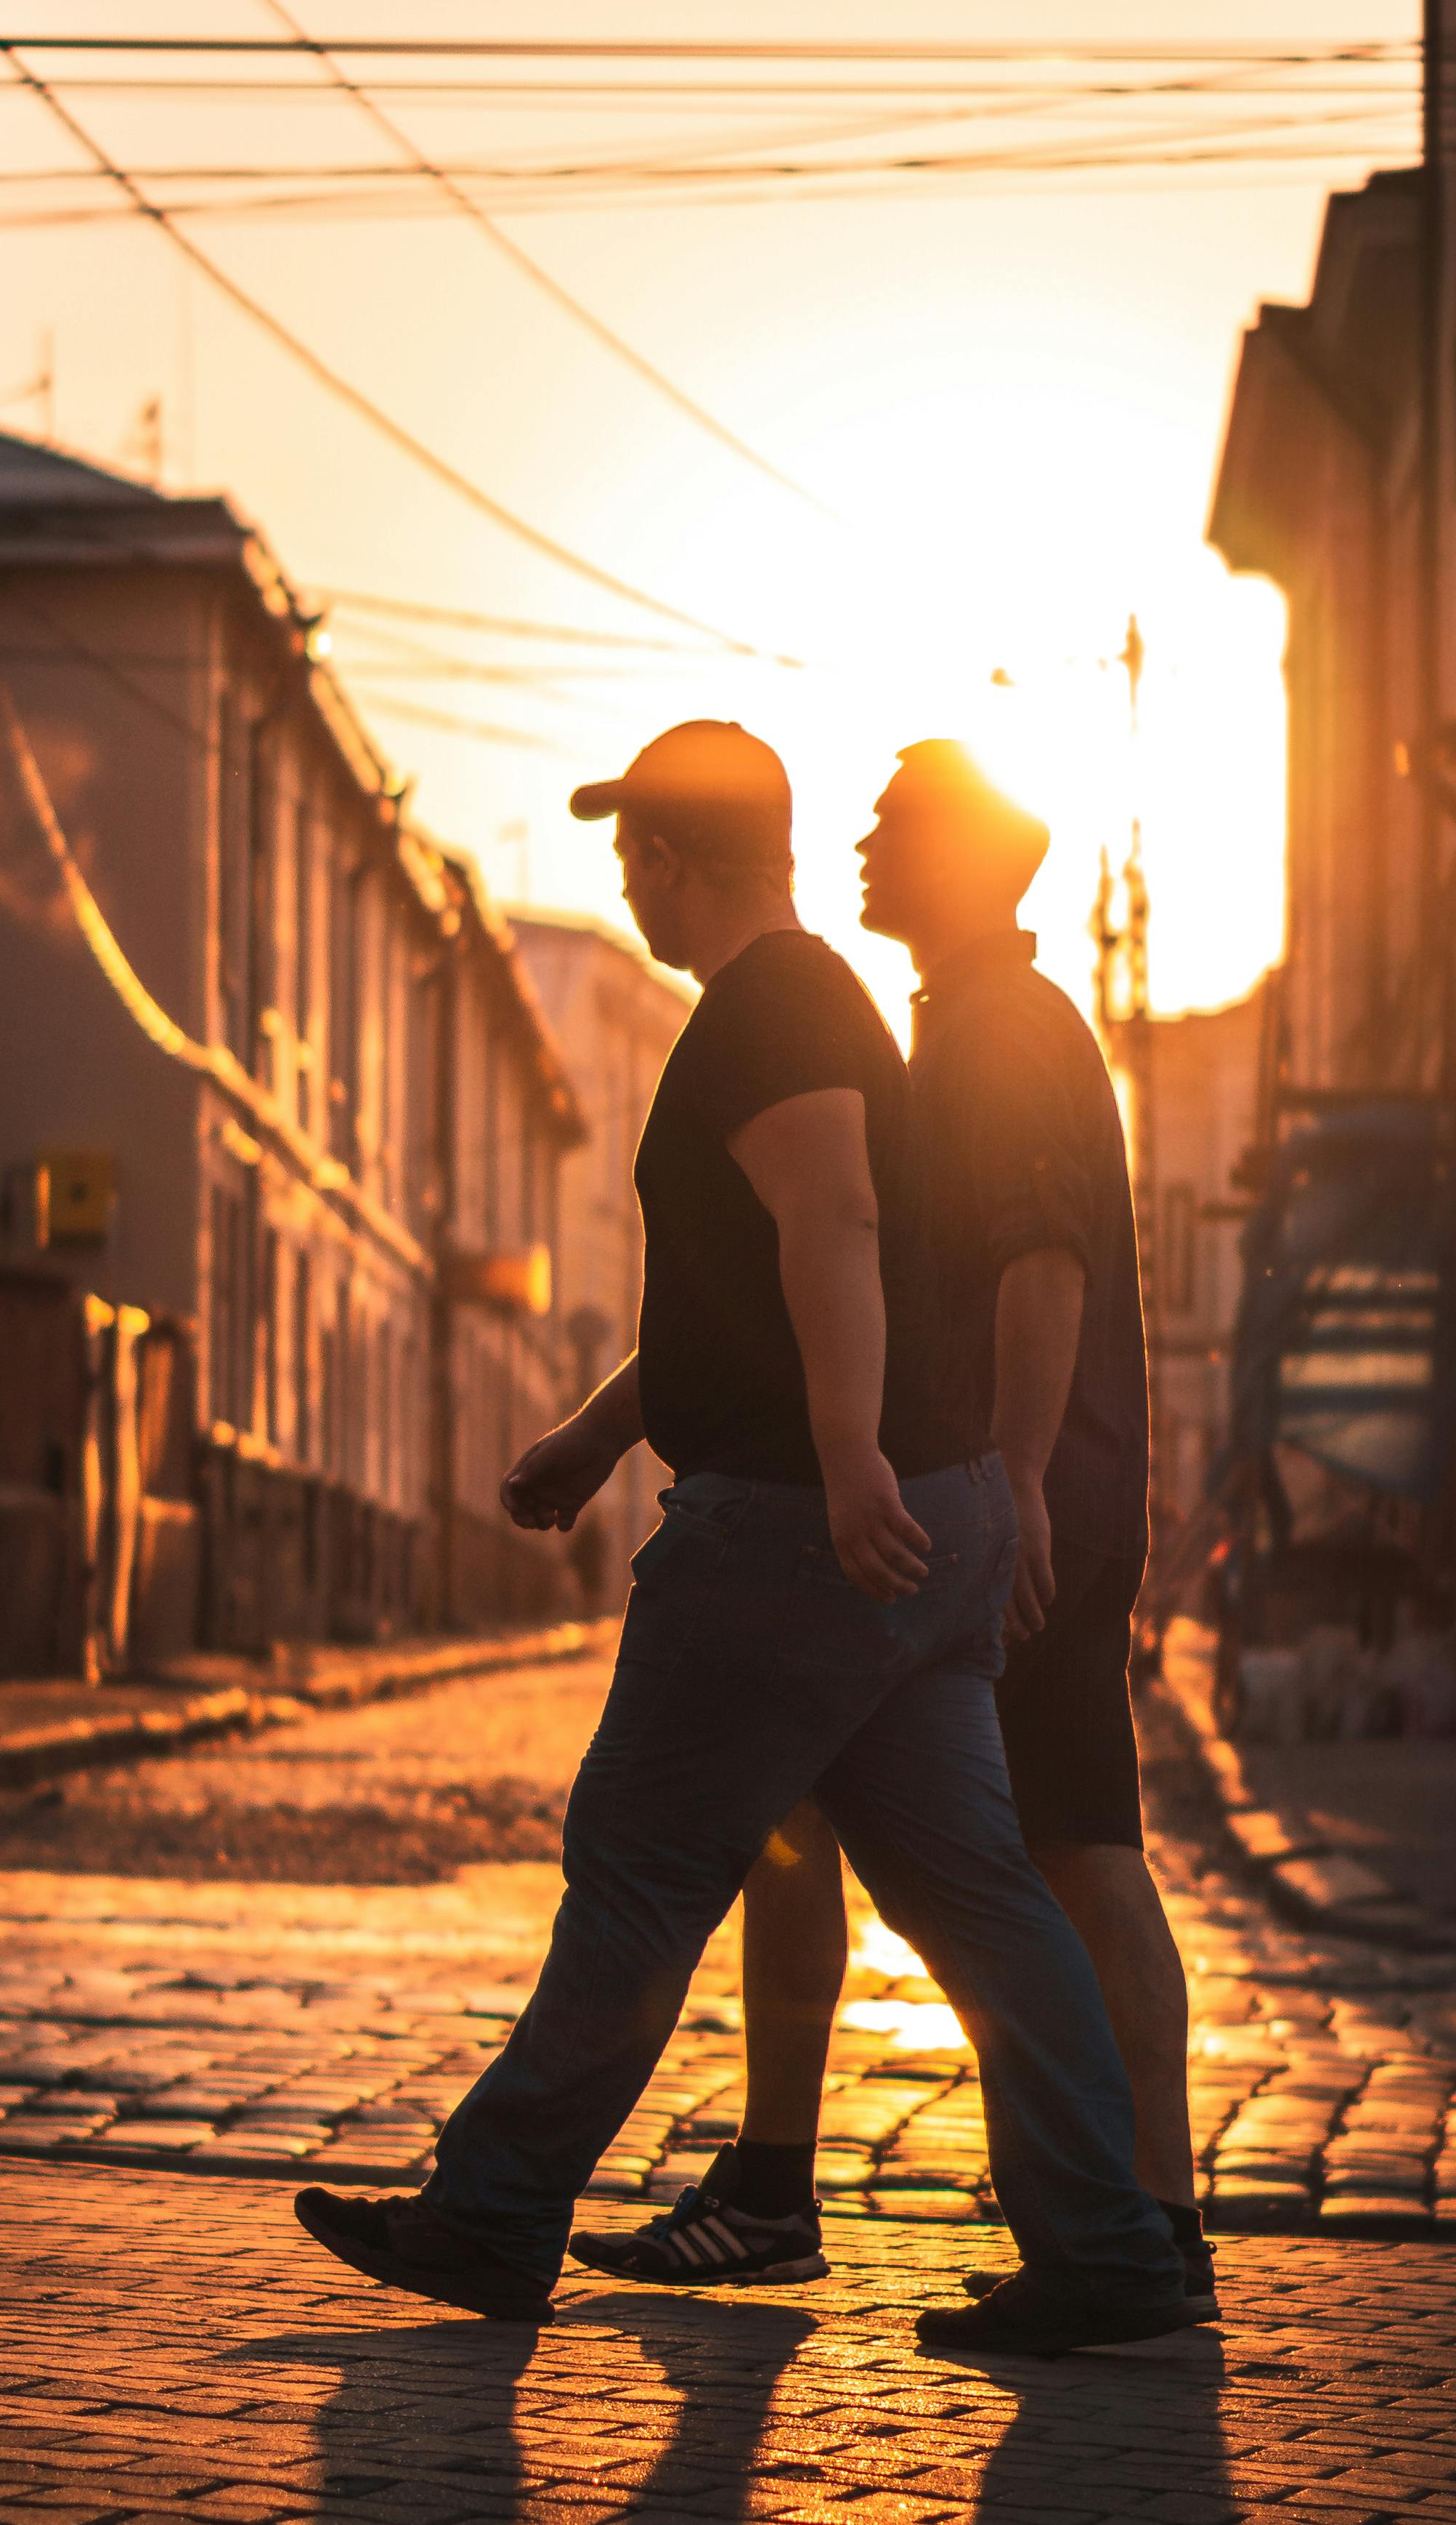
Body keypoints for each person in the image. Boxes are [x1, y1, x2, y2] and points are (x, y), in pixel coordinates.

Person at [294, 721, 1201, 2356]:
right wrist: (596, 1430)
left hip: (797, 1528)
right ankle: (1112, 2242)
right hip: (908, 1522)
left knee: (637, 1868)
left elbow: (832, 1230)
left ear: (674, 855)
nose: (621, 873)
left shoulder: (769, 1008)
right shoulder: (840, 1011)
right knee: (983, 1900)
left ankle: (494, 2204)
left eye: (632, 846)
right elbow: (759, 1293)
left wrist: (846, 1454)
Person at [580, 739, 1210, 2311]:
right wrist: (599, 1428)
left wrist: (1005, 1486)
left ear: (964, 865)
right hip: (988, 1508)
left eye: (891, 830)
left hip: (1017, 1515)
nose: (859, 848)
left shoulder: (1002, 1032)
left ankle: (1144, 2219)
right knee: (807, 1831)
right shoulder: (943, 1034)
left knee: (1069, 1849)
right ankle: (789, 2182)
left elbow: (1040, 1267)